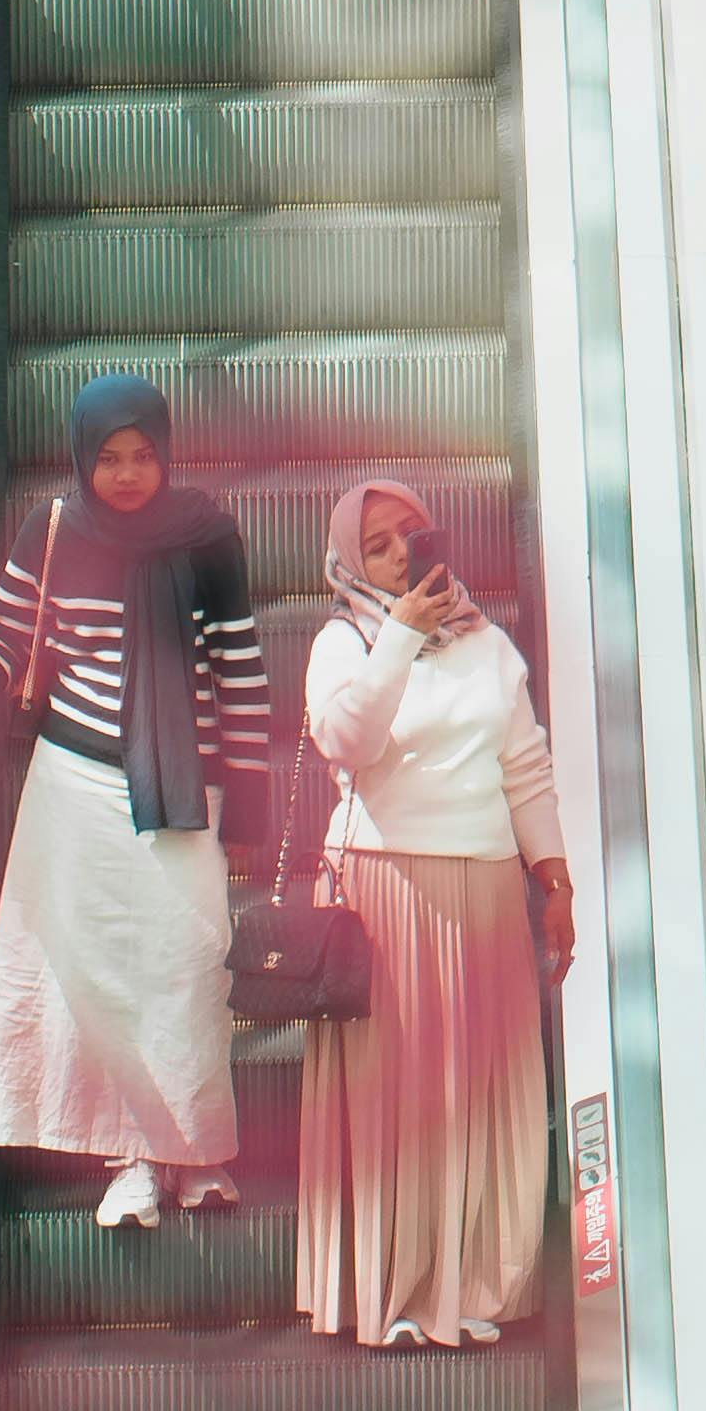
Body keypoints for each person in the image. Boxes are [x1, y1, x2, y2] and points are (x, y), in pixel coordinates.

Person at [0, 376, 264, 1218]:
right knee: (94, 981)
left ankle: (193, 1151)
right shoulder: (53, 528)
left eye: (143, 457)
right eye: (108, 458)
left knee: (184, 970)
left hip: (177, 791)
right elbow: (10, 637)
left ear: (166, 454)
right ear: (81, 457)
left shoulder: (207, 537)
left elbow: (239, 672)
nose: (127, 475)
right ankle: (132, 1162)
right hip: (76, 787)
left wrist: (253, 809)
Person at [292, 479, 572, 1353]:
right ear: (347, 557)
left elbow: (524, 765)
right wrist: (401, 635)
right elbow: (347, 743)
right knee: (402, 1097)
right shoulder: (342, 643)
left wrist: (554, 881)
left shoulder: (488, 643)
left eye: (410, 535)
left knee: (483, 1090)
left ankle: (478, 1282)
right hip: (384, 888)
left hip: (486, 886)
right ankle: (392, 1289)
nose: (399, 554)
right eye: (376, 544)